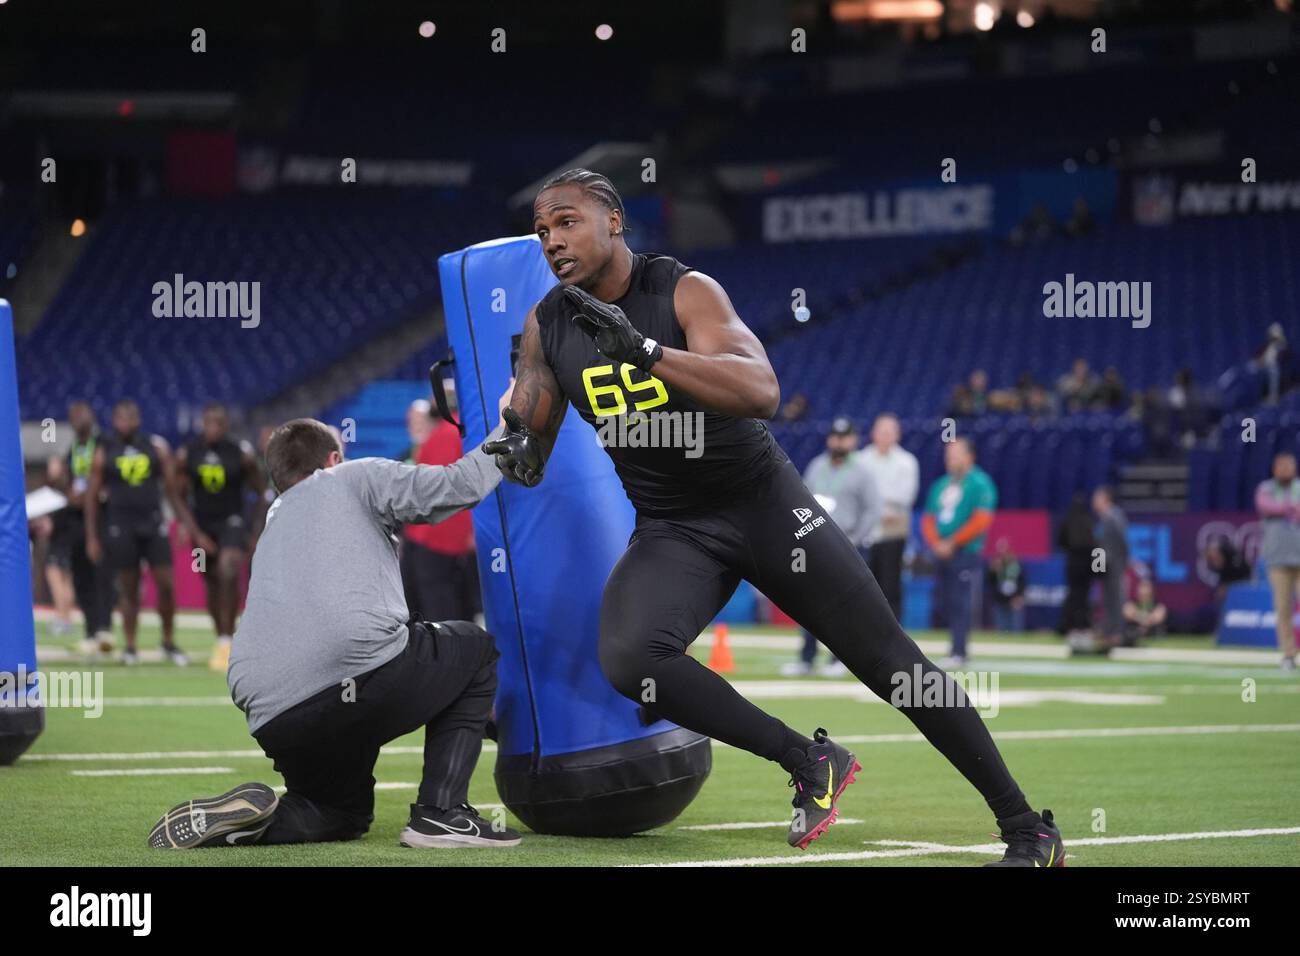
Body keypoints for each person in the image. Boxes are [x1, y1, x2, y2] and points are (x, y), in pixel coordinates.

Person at [485, 168, 1062, 864]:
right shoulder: (547, 324)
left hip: (763, 506)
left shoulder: (684, 290)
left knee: (891, 665)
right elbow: (531, 452)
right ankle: (806, 759)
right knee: (632, 658)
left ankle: (1027, 826)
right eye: (542, 229)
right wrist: (512, 433)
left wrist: (646, 351)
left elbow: (762, 390)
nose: (552, 239)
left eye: (567, 221)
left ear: (613, 220)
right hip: (675, 527)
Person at [148, 382, 521, 849]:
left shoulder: (274, 523)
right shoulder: (352, 477)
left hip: (271, 712)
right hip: (356, 671)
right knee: (473, 650)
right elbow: (454, 487)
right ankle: (442, 813)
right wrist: (509, 424)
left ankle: (255, 825)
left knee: (338, 813)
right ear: (332, 460)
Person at [85, 400, 200, 666]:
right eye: (120, 418)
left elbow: (172, 492)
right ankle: (131, 647)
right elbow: (92, 496)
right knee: (129, 588)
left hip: (153, 523)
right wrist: (92, 536)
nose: (125, 423)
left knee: (166, 585)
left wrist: (184, 523)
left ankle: (168, 642)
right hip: (120, 525)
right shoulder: (104, 451)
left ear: (137, 420)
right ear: (114, 421)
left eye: (129, 418)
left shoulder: (156, 448)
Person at [781, 416, 880, 677]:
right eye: (835, 436)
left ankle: (841, 660)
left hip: (848, 544)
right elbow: (801, 499)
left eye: (844, 437)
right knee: (809, 603)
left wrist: (856, 540)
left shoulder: (863, 472)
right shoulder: (817, 466)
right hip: (817, 544)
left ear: (854, 440)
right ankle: (807, 657)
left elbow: (872, 511)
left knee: (846, 605)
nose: (839, 441)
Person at [175, 403, 267, 672]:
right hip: (202, 526)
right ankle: (221, 638)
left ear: (225, 426)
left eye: (218, 423)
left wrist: (255, 530)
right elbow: (177, 494)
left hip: (232, 522)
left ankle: (229, 641)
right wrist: (194, 531)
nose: (213, 428)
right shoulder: (188, 454)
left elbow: (261, 492)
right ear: (202, 424)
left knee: (228, 571)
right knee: (211, 581)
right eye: (209, 422)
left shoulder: (240, 454)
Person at [922, 437, 997, 667]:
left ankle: (960, 650)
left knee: (961, 602)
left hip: (965, 552)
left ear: (969, 457)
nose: (949, 460)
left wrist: (953, 542)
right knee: (945, 601)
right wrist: (936, 543)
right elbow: (928, 519)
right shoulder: (941, 484)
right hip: (942, 551)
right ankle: (953, 648)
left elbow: (981, 520)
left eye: (955, 455)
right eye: (948, 455)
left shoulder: (980, 483)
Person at [401, 404, 480, 623]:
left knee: (437, 610)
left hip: (433, 537)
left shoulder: (447, 433)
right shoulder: (456, 430)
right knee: (451, 607)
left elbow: (436, 489)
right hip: (443, 536)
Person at [48, 401, 116, 653]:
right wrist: (59, 482)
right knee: (80, 573)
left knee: (102, 571)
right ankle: (90, 631)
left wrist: (94, 494)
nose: (76, 420)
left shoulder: (105, 444)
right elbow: (65, 480)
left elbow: (109, 477)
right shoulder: (73, 447)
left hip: (102, 516)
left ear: (92, 416)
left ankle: (104, 628)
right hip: (75, 518)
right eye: (72, 417)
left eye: (80, 415)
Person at [859, 412, 918, 621]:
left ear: (897, 435)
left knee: (890, 586)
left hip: (892, 534)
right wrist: (883, 505)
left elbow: (905, 497)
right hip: (865, 533)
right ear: (873, 433)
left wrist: (875, 503)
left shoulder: (907, 462)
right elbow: (858, 494)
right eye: (880, 431)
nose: (884, 436)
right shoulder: (861, 459)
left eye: (889, 431)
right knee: (863, 588)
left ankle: (894, 638)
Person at [1255, 451, 1300, 671]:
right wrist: (1290, 509)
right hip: (1278, 559)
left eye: (1288, 466)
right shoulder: (1266, 488)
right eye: (1281, 467)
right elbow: (1266, 506)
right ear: (1274, 469)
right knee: (1282, 608)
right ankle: (1288, 654)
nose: (1285, 470)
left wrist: (1286, 510)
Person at [1092, 485, 1129, 650]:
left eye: (1097, 498)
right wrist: (1098, 567)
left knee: (1116, 599)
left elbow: (1123, 543)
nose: (1094, 501)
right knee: (1106, 600)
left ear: (1105, 499)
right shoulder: (1103, 518)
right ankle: (1107, 631)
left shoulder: (1115, 516)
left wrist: (1121, 563)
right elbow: (1100, 546)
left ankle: (1116, 633)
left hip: (1115, 566)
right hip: (1105, 566)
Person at [1057, 493, 1096, 645]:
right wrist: (1098, 569)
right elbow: (1096, 547)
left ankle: (1070, 625)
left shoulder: (1068, 521)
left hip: (1072, 565)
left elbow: (1061, 543)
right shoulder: (1089, 522)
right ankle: (1083, 625)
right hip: (1086, 567)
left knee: (1073, 595)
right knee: (1083, 597)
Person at [986, 537, 1026, 634]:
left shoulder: (1015, 565)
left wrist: (1019, 596)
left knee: (1015, 629)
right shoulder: (995, 563)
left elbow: (1022, 582)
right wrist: (993, 571)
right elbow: (991, 583)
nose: (1002, 552)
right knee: (1001, 629)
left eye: (1004, 549)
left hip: (1014, 600)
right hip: (1000, 599)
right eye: (1000, 549)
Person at [1122, 578, 1167, 646]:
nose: (1144, 590)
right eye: (1142, 587)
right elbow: (1127, 613)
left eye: (1146, 587)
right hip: (1135, 630)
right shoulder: (1131, 604)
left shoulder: (1158, 605)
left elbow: (1158, 617)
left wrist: (1139, 617)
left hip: (1152, 631)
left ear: (1151, 589)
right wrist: (1143, 619)